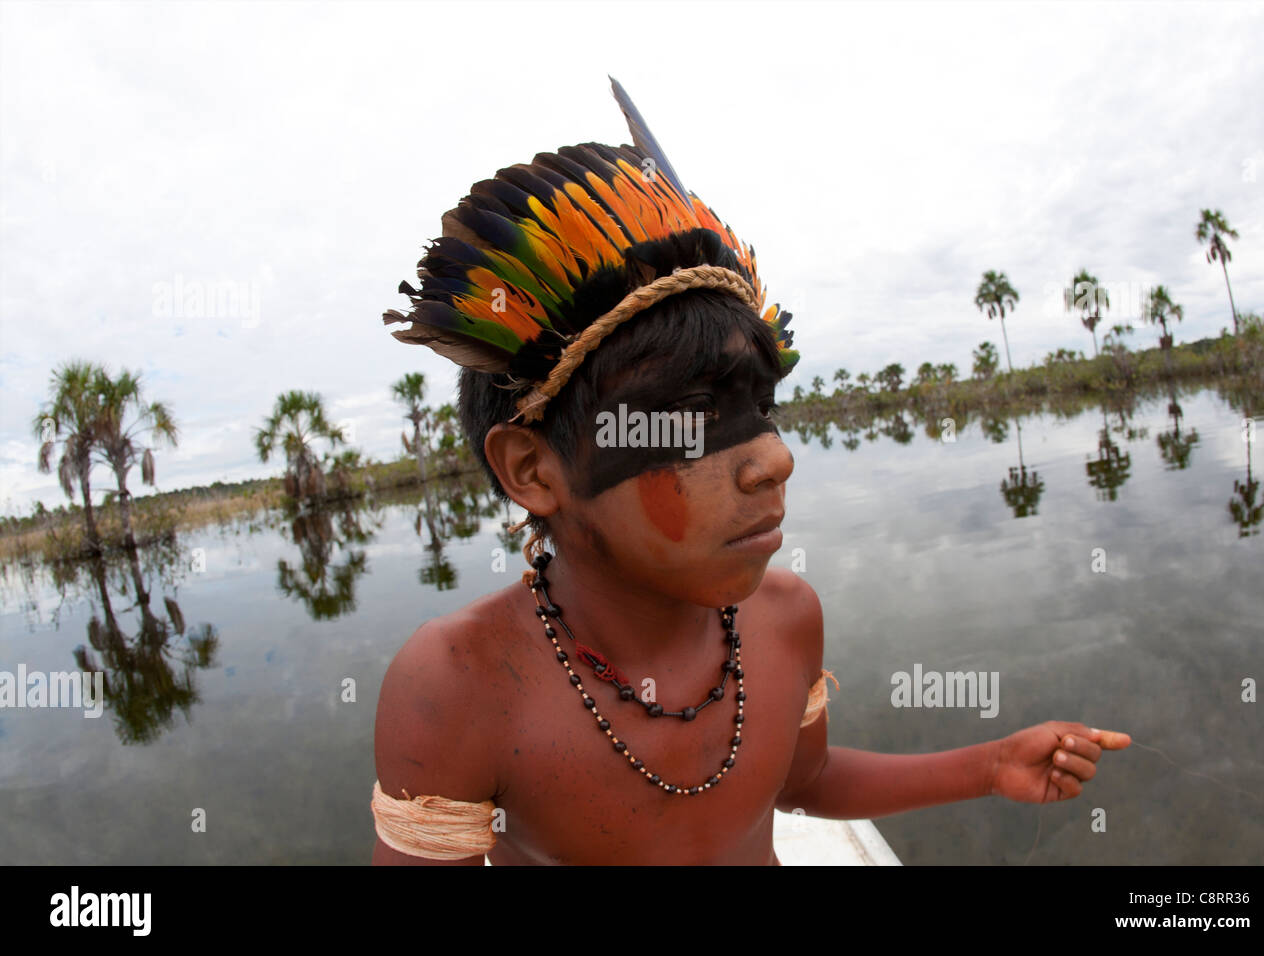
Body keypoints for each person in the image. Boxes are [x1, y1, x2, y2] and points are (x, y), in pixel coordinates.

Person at [370, 77, 1130, 865]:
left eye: (760, 405)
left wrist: (989, 765)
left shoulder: (786, 616)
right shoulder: (462, 684)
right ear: (533, 470)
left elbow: (805, 781)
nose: (774, 458)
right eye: (689, 416)